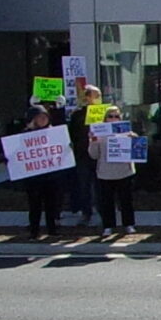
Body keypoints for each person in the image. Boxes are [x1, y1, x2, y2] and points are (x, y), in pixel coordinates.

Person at [88, 104, 139, 236]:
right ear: (105, 118)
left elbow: (136, 150)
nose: (113, 118)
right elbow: (93, 155)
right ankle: (108, 226)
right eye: (110, 116)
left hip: (125, 171)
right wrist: (93, 141)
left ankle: (129, 224)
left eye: (116, 116)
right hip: (105, 173)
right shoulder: (99, 133)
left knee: (126, 200)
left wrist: (135, 140)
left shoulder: (126, 131)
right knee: (107, 202)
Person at [18, 105, 64, 239]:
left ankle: (52, 230)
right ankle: (34, 231)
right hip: (33, 178)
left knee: (52, 205)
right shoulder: (25, 135)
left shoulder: (54, 133)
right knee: (34, 205)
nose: (43, 120)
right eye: (39, 117)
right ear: (33, 119)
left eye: (45, 117)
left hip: (51, 176)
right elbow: (18, 153)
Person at [66, 84, 102, 226]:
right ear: (87, 97)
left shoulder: (105, 113)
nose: (98, 98)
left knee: (101, 186)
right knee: (84, 186)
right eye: (95, 95)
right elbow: (71, 134)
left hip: (100, 155)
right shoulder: (77, 115)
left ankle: (103, 213)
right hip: (82, 155)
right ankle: (86, 213)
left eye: (99, 95)